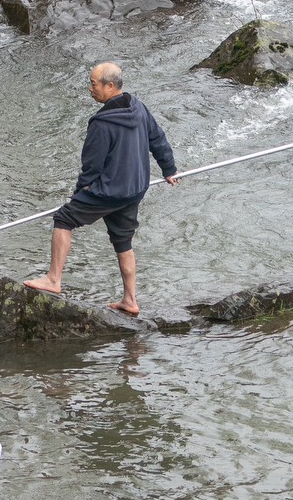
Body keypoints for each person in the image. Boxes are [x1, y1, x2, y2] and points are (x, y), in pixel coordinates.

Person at [24, 63, 179, 315]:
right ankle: (130, 300)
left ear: (110, 86)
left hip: (109, 191)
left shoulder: (101, 123)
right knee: (123, 241)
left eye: (94, 83)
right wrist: (169, 169)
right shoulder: (138, 107)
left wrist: (80, 191)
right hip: (135, 188)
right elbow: (157, 139)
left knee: (63, 218)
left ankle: (53, 279)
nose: (90, 88)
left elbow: (91, 165)